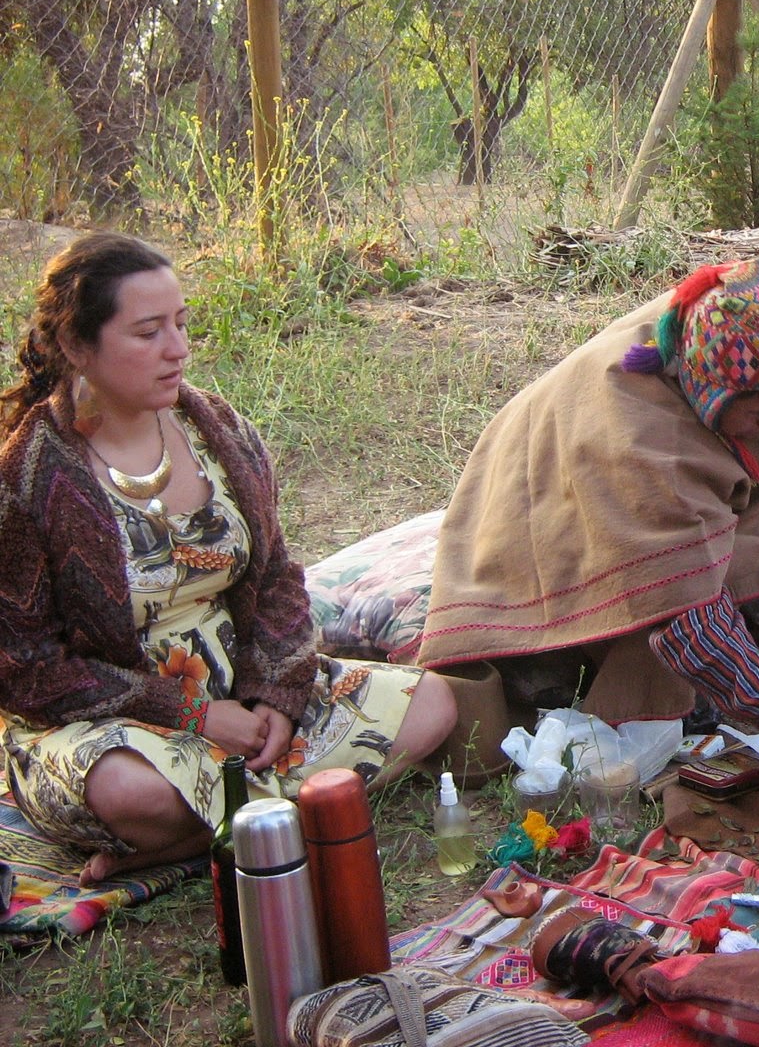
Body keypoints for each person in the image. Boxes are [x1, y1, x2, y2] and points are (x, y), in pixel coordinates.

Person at [0, 233, 457, 883]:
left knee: (432, 703)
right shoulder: (28, 478)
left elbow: (277, 580)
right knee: (128, 791)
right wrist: (194, 715)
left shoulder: (220, 432)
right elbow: (28, 671)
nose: (178, 348)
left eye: (181, 324)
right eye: (148, 332)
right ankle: (265, 811)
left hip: (244, 700)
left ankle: (196, 835)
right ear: (76, 345)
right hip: (112, 729)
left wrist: (277, 695)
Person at [418, 258, 759, 817]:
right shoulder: (648, 453)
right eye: (757, 412)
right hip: (535, 497)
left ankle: (721, 569)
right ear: (707, 394)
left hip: (642, 457)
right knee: (668, 640)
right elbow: (692, 628)